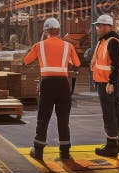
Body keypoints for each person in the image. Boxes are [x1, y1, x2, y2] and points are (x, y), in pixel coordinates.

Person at [23, 17, 81, 161]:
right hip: (63, 85)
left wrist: (38, 45)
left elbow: (26, 61)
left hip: (47, 84)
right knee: (63, 119)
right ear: (59, 30)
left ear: (45, 31)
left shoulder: (39, 46)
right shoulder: (68, 46)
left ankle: (38, 150)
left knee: (43, 118)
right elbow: (77, 63)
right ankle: (65, 152)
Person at [90, 14, 119, 158]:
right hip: (104, 82)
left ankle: (112, 146)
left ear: (107, 27)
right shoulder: (103, 41)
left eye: (99, 26)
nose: (97, 28)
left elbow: (116, 65)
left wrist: (111, 82)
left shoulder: (112, 42)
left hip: (108, 84)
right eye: (97, 26)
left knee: (109, 114)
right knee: (117, 112)